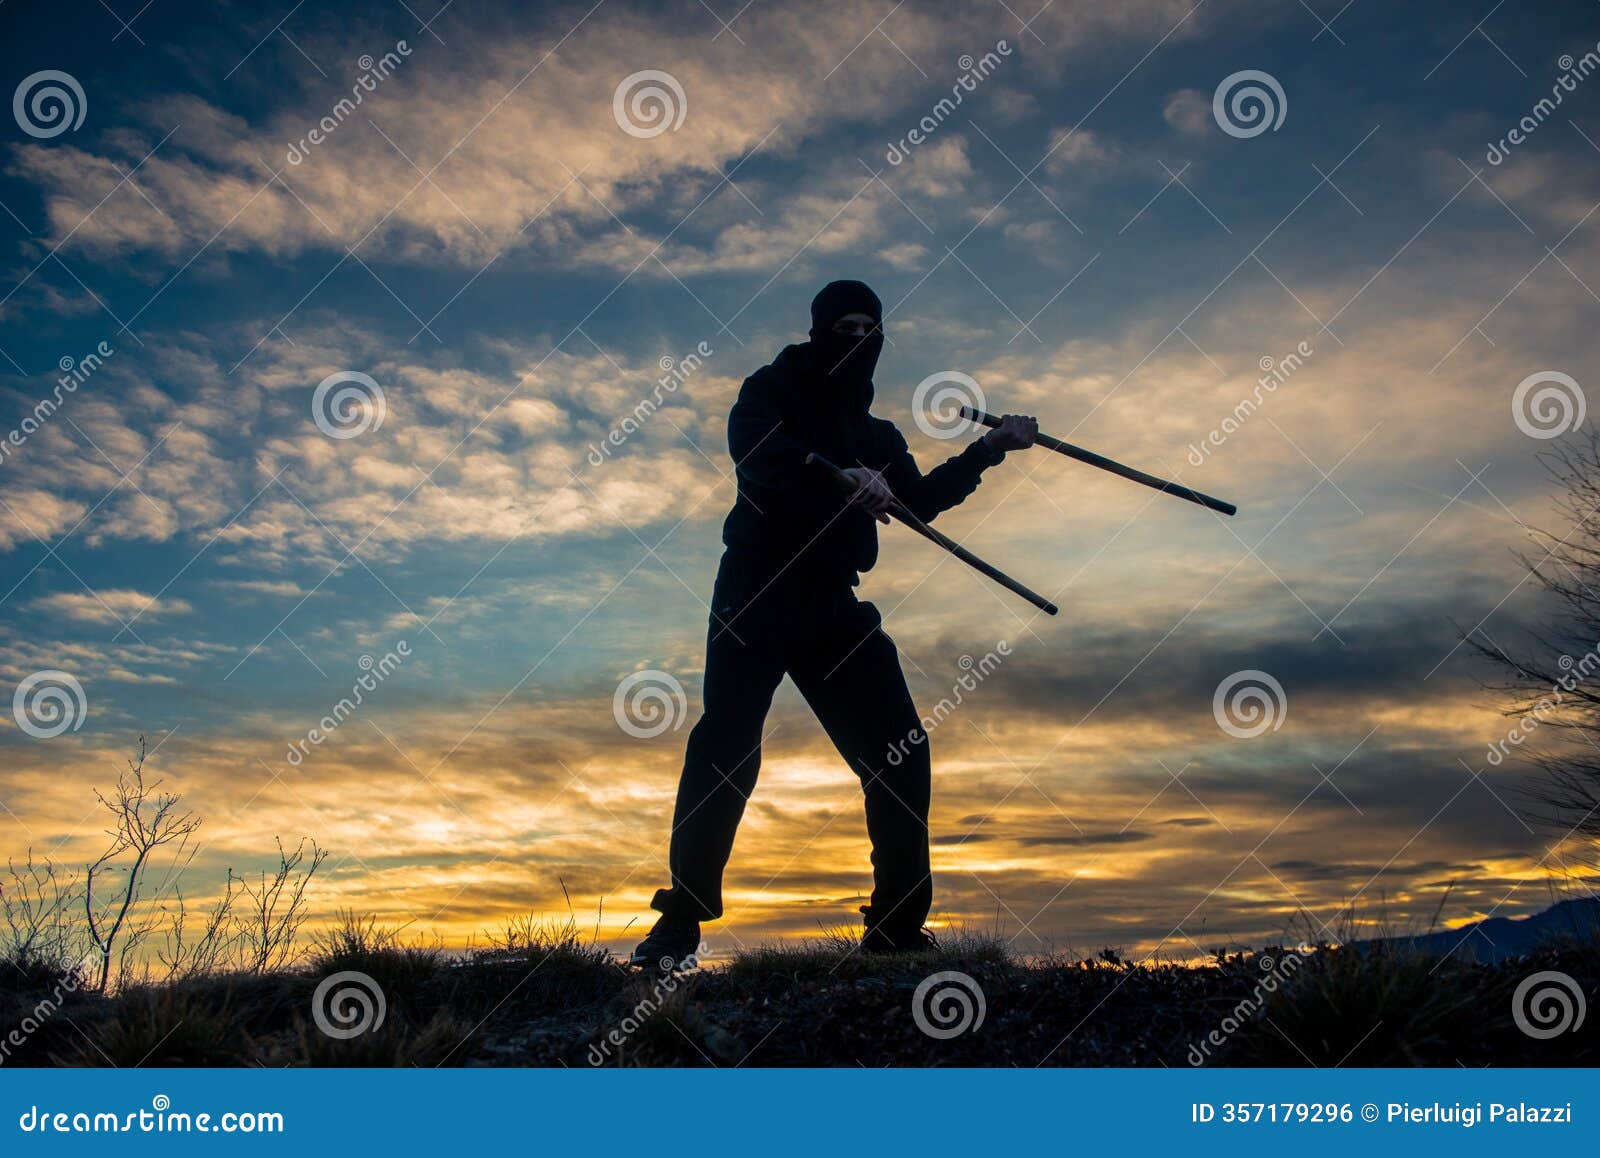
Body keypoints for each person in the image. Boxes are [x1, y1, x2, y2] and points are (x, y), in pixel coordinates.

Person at [631, 279, 1037, 966]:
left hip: (832, 600)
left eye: (869, 329)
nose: (857, 341)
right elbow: (758, 459)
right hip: (755, 590)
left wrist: (990, 448)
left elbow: (919, 502)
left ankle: (895, 930)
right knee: (726, 745)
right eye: (844, 328)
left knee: (900, 750)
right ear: (819, 331)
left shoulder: (878, 435)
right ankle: (678, 924)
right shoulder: (770, 391)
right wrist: (838, 475)